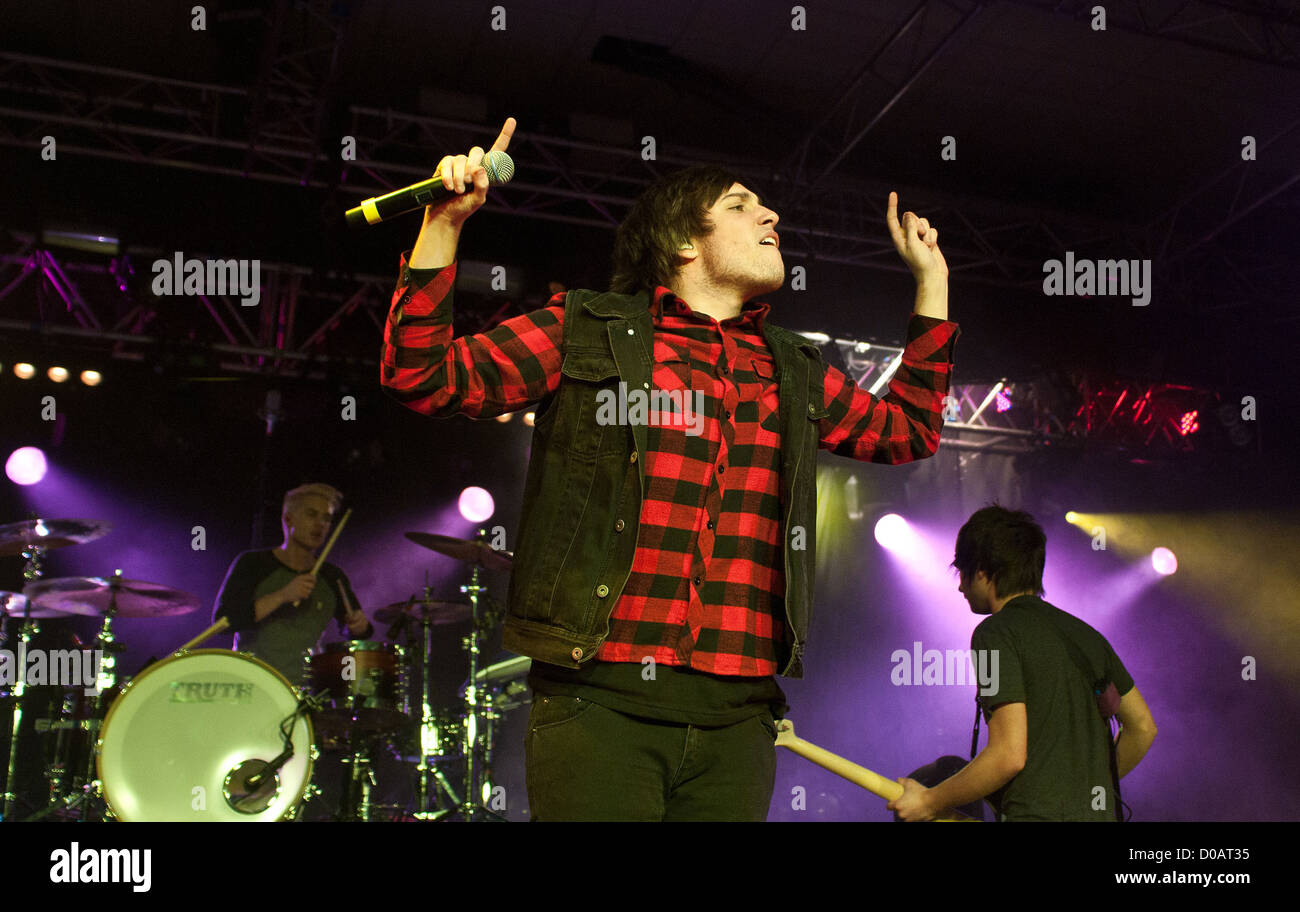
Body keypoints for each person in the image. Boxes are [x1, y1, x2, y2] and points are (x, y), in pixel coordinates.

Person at [380, 117, 959, 820]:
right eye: (741, 205)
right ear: (684, 242)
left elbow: (909, 430)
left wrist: (932, 283)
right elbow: (423, 373)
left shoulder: (793, 368)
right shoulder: (587, 327)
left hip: (740, 720)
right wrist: (442, 224)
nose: (771, 214)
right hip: (600, 706)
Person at [888, 505, 1158, 822]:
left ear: (983, 571)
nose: (960, 586)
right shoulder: (1087, 636)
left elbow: (1007, 756)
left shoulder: (994, 633)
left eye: (962, 573)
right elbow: (1142, 729)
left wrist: (931, 801)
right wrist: (1088, 791)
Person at [213, 482, 372, 682]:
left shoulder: (332, 576)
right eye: (311, 514)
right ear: (288, 519)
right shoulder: (252, 563)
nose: (320, 524)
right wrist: (282, 596)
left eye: (326, 518)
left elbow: (357, 630)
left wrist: (358, 627)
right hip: (251, 683)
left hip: (305, 690)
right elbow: (223, 623)